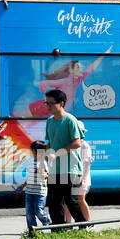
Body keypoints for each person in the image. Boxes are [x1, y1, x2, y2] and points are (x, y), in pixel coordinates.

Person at [41, 88, 86, 226]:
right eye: (46, 103)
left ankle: (83, 225)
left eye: (50, 103)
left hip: (71, 168)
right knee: (53, 202)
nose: (47, 106)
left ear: (61, 103)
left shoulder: (70, 120)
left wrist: (57, 153)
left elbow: (77, 142)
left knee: (71, 201)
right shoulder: (50, 121)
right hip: (55, 169)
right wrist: (44, 159)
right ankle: (58, 229)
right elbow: (50, 143)